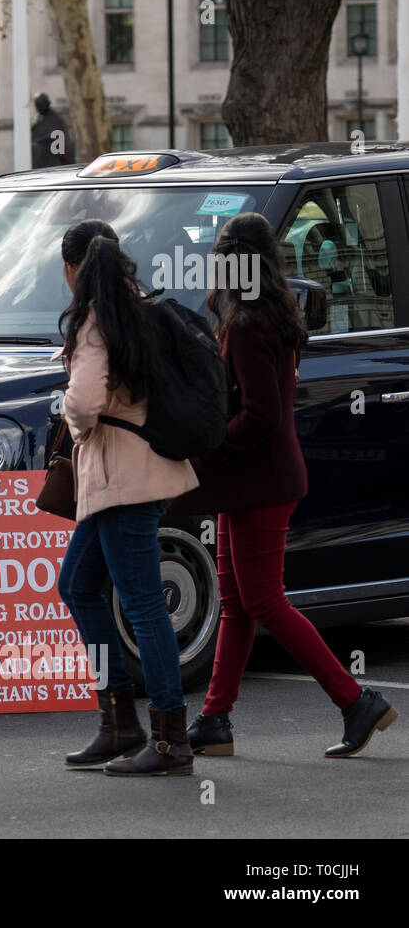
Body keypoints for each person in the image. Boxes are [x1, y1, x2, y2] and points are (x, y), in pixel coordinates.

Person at [181, 212, 396, 759]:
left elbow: (261, 417)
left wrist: (210, 444)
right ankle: (214, 718)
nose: (215, 261)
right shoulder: (268, 312)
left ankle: (357, 700)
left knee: (265, 601)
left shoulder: (251, 323)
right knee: (236, 601)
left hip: (262, 481)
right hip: (253, 481)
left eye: (224, 251)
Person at [55, 219, 199, 777]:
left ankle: (169, 738)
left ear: (73, 269)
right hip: (139, 474)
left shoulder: (97, 318)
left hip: (124, 481)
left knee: (141, 605)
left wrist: (68, 412)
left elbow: (86, 403)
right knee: (77, 585)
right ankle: (118, 722)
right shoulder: (137, 305)